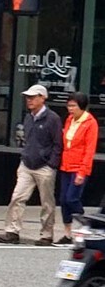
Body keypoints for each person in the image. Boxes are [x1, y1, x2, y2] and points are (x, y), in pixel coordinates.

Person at [0, 83, 62, 245]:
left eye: (33, 97)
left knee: (47, 202)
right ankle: (12, 231)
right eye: (28, 97)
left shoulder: (53, 118)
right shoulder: (28, 117)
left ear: (42, 98)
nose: (29, 100)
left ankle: (47, 234)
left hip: (44, 166)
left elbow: (57, 144)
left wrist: (52, 163)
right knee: (17, 197)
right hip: (27, 163)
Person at [59, 91, 98, 238]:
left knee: (71, 198)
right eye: (69, 105)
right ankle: (67, 233)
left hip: (79, 166)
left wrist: (83, 172)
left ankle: (85, 221)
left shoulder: (90, 123)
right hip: (66, 165)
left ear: (81, 107)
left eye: (73, 106)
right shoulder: (69, 120)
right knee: (63, 200)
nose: (70, 109)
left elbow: (89, 149)